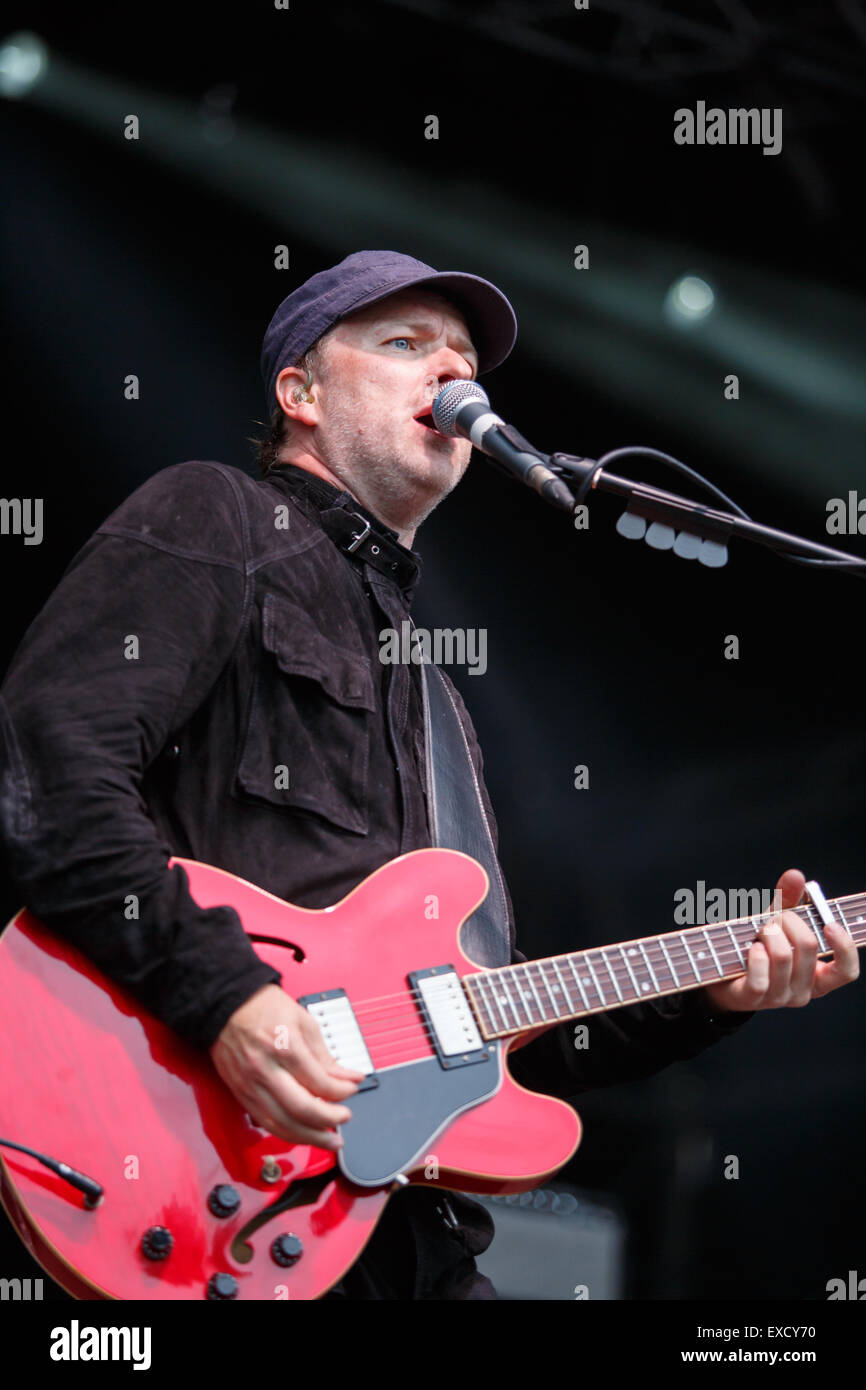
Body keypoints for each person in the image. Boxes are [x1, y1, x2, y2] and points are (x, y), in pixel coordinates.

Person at [0, 250, 858, 1300]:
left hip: (401, 1231)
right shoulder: (215, 517)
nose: (452, 374)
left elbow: (484, 1039)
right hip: (199, 1170)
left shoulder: (436, 702)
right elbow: (51, 776)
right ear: (302, 393)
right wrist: (226, 1000)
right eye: (406, 344)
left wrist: (713, 995)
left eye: (464, 362)